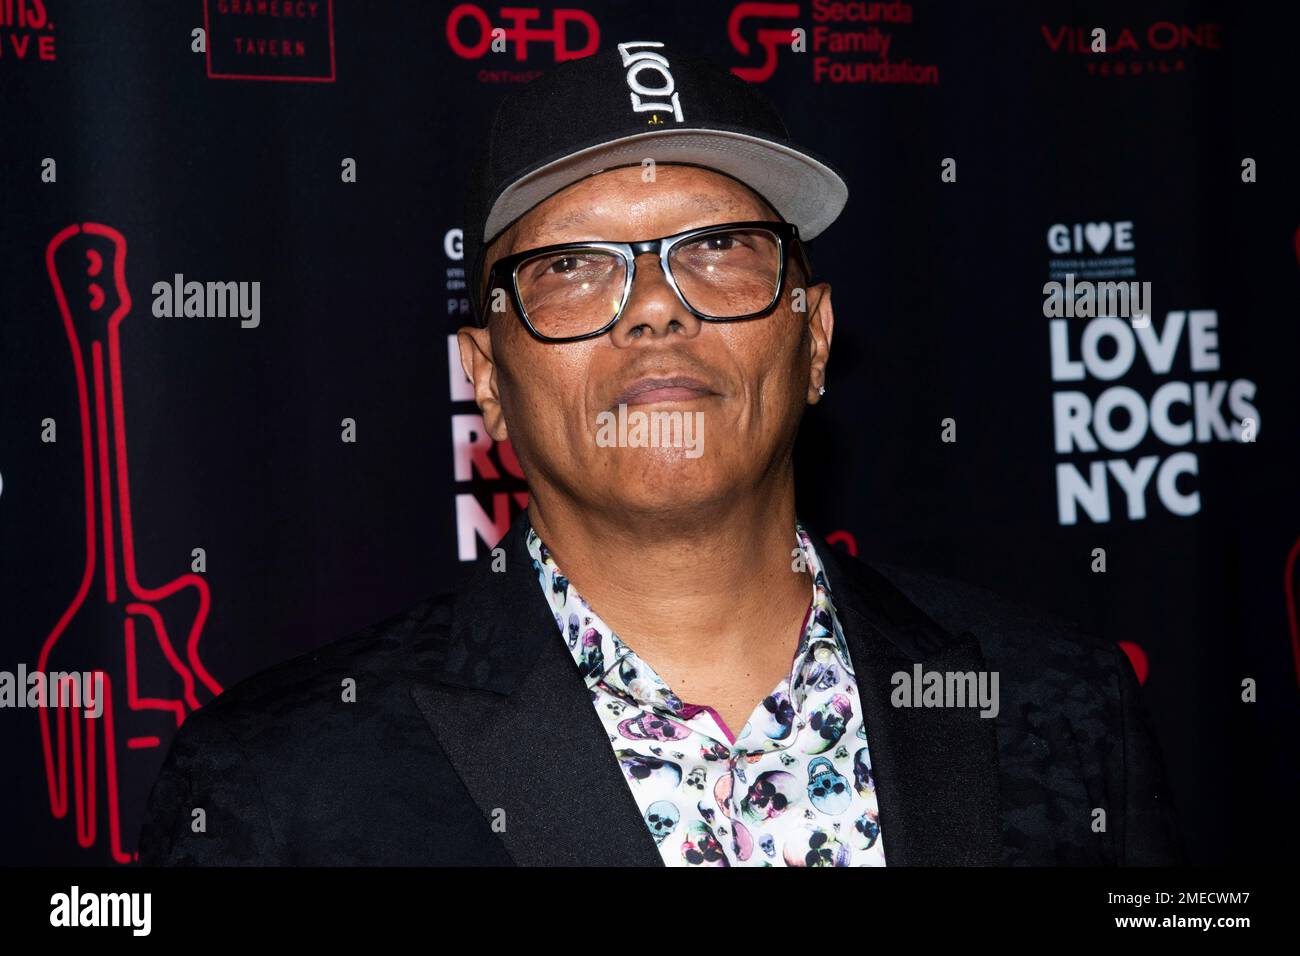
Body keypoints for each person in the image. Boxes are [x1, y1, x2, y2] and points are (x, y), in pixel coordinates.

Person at [138, 41, 1184, 866]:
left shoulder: (1056, 705)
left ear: (813, 336)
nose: (653, 310)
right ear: (487, 379)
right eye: (573, 265)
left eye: (717, 249)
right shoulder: (281, 781)